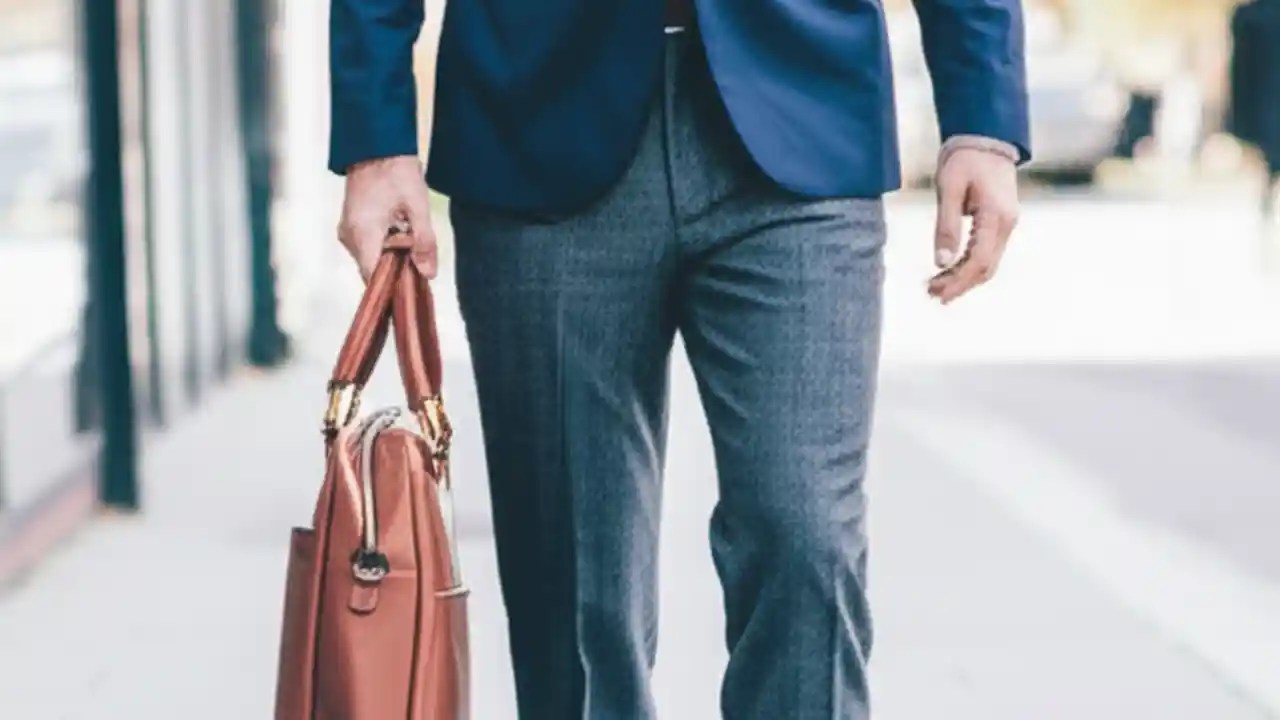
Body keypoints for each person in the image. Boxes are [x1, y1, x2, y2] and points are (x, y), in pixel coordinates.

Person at [330, 0, 1028, 716]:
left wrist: (982, 116)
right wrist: (375, 141)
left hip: (805, 112)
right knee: (574, 584)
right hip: (536, 119)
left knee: (806, 538)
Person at [1230, 0, 1280, 218]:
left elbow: (1240, 73)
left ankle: (1267, 206)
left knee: (1270, 161)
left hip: (1264, 105)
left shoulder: (1250, 16)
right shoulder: (1250, 17)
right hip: (1266, 104)